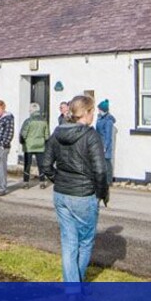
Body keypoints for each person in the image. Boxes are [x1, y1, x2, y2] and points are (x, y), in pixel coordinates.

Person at [41, 95, 109, 287]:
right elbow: (100, 169)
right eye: (92, 112)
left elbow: (45, 165)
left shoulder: (57, 133)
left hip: (61, 193)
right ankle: (75, 286)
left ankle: (72, 289)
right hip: (83, 194)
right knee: (85, 242)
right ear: (85, 113)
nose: (93, 116)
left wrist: (58, 179)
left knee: (69, 242)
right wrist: (102, 194)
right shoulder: (91, 135)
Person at [19, 103, 49, 187]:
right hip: (40, 145)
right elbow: (47, 135)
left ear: (31, 111)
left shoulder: (28, 121)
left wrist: (22, 142)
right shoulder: (44, 121)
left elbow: (23, 134)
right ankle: (42, 182)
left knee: (27, 164)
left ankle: (26, 183)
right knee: (41, 164)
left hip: (29, 146)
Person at [94, 99, 116, 189]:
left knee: (107, 162)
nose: (98, 111)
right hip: (99, 142)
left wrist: (105, 147)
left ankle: (108, 181)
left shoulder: (108, 121)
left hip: (104, 144)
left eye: (99, 109)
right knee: (101, 162)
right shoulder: (100, 118)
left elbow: (108, 135)